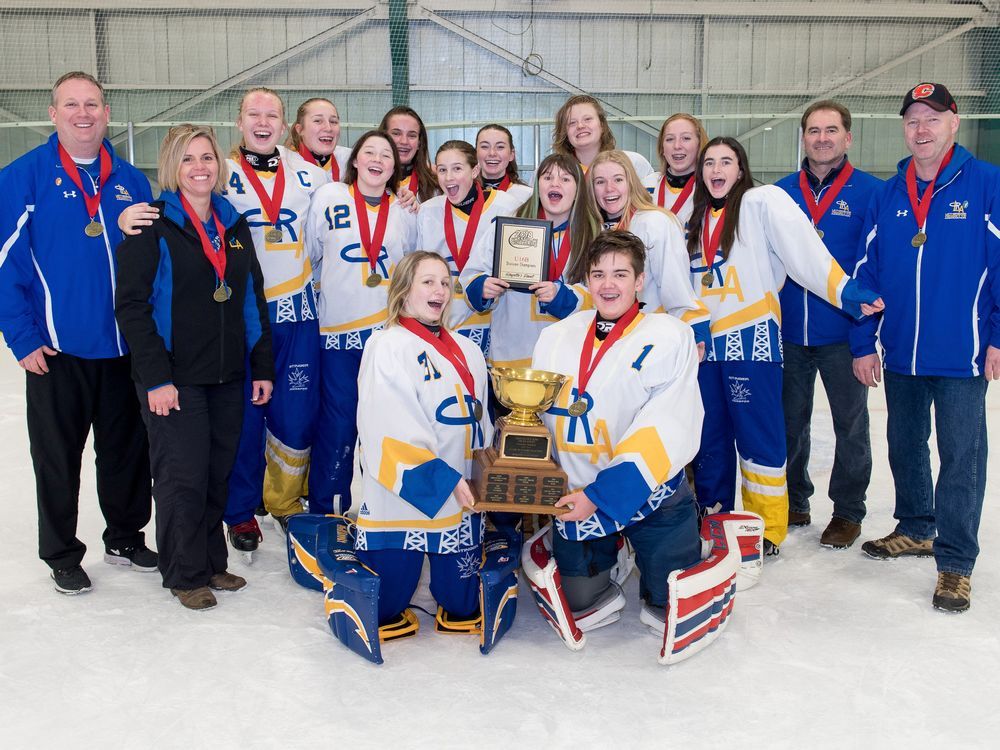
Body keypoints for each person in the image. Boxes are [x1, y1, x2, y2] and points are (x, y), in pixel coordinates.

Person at [117, 88, 327, 557]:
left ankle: (286, 502)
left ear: (286, 124)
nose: (263, 120)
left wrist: (409, 201)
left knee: (291, 415)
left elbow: (353, 203)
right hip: (222, 325)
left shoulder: (313, 177)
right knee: (235, 431)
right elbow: (140, 284)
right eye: (253, 112)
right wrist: (121, 217)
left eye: (272, 112)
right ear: (239, 121)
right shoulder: (221, 177)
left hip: (285, 312)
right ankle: (238, 513)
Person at [0, 71, 155, 595]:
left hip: (122, 349)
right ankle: (62, 553)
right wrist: (21, 338)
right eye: (71, 105)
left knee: (126, 452)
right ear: (53, 113)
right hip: (56, 350)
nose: (83, 114)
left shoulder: (131, 179)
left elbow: (149, 264)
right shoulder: (23, 177)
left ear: (106, 113)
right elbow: (5, 264)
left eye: (92, 104)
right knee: (56, 458)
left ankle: (125, 536)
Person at [687, 137, 880, 556]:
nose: (716, 169)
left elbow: (803, 251)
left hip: (750, 340)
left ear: (741, 169)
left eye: (726, 161)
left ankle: (765, 527)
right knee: (710, 438)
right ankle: (713, 519)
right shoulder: (692, 216)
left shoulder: (761, 202)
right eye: (709, 163)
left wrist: (844, 290)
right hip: (703, 349)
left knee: (760, 437)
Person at [851, 82, 1000, 613]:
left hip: (962, 354)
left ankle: (956, 563)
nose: (922, 129)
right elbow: (867, 273)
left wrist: (998, 335)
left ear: (953, 123)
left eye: (932, 119)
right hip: (902, 353)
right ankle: (916, 526)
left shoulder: (986, 184)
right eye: (913, 120)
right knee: (905, 445)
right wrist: (864, 340)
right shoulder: (888, 194)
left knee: (962, 458)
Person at [114, 124, 274, 610]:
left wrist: (260, 366)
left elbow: (252, 298)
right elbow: (133, 307)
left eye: (206, 157)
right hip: (174, 377)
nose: (200, 167)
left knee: (215, 472)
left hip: (226, 374)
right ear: (171, 167)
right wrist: (157, 377)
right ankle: (184, 574)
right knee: (182, 475)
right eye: (188, 159)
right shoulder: (152, 222)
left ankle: (210, 563)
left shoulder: (234, 222)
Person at [531, 230, 704, 630]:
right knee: (580, 603)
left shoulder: (669, 336)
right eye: (598, 274)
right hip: (578, 492)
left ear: (640, 281)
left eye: (621, 274)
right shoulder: (555, 336)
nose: (608, 285)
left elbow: (664, 427)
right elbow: (538, 415)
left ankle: (661, 542)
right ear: (587, 281)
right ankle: (615, 554)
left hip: (648, 491)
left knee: (668, 604)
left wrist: (602, 495)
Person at [355, 251, 489, 636]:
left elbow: (479, 420)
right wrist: (441, 478)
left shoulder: (469, 349)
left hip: (462, 485)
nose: (440, 290)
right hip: (407, 488)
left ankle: (449, 597)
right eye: (428, 282)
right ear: (404, 290)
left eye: (445, 283)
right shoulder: (387, 345)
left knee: (464, 604)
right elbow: (386, 425)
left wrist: (488, 473)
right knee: (384, 605)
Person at [774, 101, 883, 549]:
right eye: (814, 130)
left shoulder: (872, 193)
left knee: (850, 426)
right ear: (802, 137)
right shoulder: (779, 194)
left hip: (843, 335)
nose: (822, 138)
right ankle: (795, 499)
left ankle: (847, 510)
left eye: (831, 130)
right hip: (789, 335)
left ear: (848, 137)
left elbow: (873, 272)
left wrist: (864, 342)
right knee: (789, 424)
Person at [304, 130, 418, 515]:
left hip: (386, 339)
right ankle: (329, 509)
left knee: (386, 427)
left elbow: (409, 272)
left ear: (395, 167)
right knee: (338, 426)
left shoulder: (404, 212)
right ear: (355, 160)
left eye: (386, 155)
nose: (377, 159)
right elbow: (311, 253)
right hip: (337, 335)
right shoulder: (330, 197)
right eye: (369, 151)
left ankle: (385, 510)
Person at [461, 153, 600, 369]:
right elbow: (471, 275)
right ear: (538, 186)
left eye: (565, 179)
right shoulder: (509, 225)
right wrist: (482, 287)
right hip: (513, 355)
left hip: (569, 355)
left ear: (578, 188)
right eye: (547, 177)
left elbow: (601, 293)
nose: (555, 183)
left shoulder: (592, 232)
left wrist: (561, 296)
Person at [588, 149, 710, 356]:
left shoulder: (655, 222)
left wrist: (694, 333)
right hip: (604, 341)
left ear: (631, 182)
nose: (609, 188)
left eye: (618, 179)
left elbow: (675, 285)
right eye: (600, 182)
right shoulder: (593, 229)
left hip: (649, 340)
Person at [417, 140, 522, 356]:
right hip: (447, 321)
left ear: (475, 170)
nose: (449, 177)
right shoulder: (428, 211)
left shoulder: (506, 206)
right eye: (442, 170)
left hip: (494, 324)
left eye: (457, 168)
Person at [552, 94, 653, 179]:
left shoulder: (633, 163)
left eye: (587, 119)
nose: (580, 126)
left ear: (602, 125)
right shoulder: (553, 172)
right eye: (572, 122)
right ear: (565, 133)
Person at [641, 113, 708, 228]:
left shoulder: (710, 189)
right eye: (670, 139)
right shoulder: (645, 185)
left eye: (686, 138)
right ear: (662, 147)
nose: (677, 146)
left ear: (699, 144)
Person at [379, 106, 440, 203]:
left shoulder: (436, 183)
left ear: (419, 142)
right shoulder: (365, 179)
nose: (404, 141)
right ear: (383, 137)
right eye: (396, 133)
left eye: (412, 135)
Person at [286, 97, 351, 183]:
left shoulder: (350, 160)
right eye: (318, 121)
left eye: (333, 121)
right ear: (300, 129)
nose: (328, 128)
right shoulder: (286, 164)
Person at [475, 124, 533, 206]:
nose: (492, 153)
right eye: (485, 146)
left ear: (511, 154)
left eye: (500, 147)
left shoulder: (527, 196)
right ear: (475, 153)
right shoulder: (463, 194)